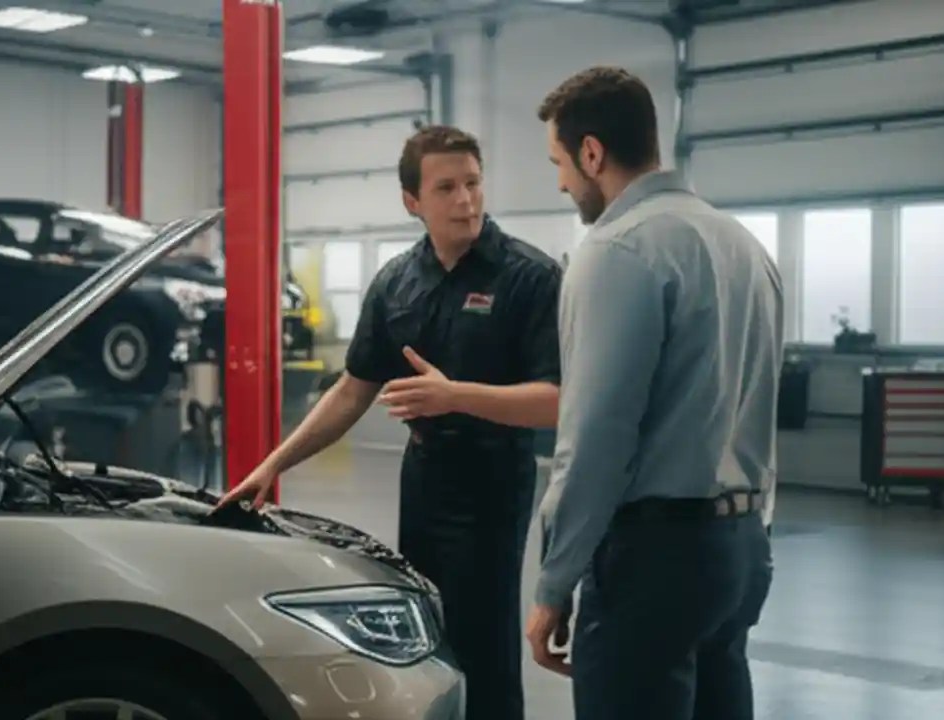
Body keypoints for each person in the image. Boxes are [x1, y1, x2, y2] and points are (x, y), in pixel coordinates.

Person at [218, 125, 564, 720]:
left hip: (493, 478)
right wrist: (272, 466)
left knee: (485, 646)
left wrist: (453, 396)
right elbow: (353, 390)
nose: (466, 200)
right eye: (447, 187)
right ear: (413, 202)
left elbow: (554, 399)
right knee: (420, 635)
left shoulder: (528, 277)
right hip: (424, 475)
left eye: (474, 184)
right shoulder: (397, 281)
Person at [524, 66, 783, 720]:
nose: (559, 182)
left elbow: (595, 439)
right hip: (741, 549)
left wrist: (554, 582)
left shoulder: (616, 249)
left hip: (655, 558)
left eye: (559, 162)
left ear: (592, 152)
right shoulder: (744, 246)